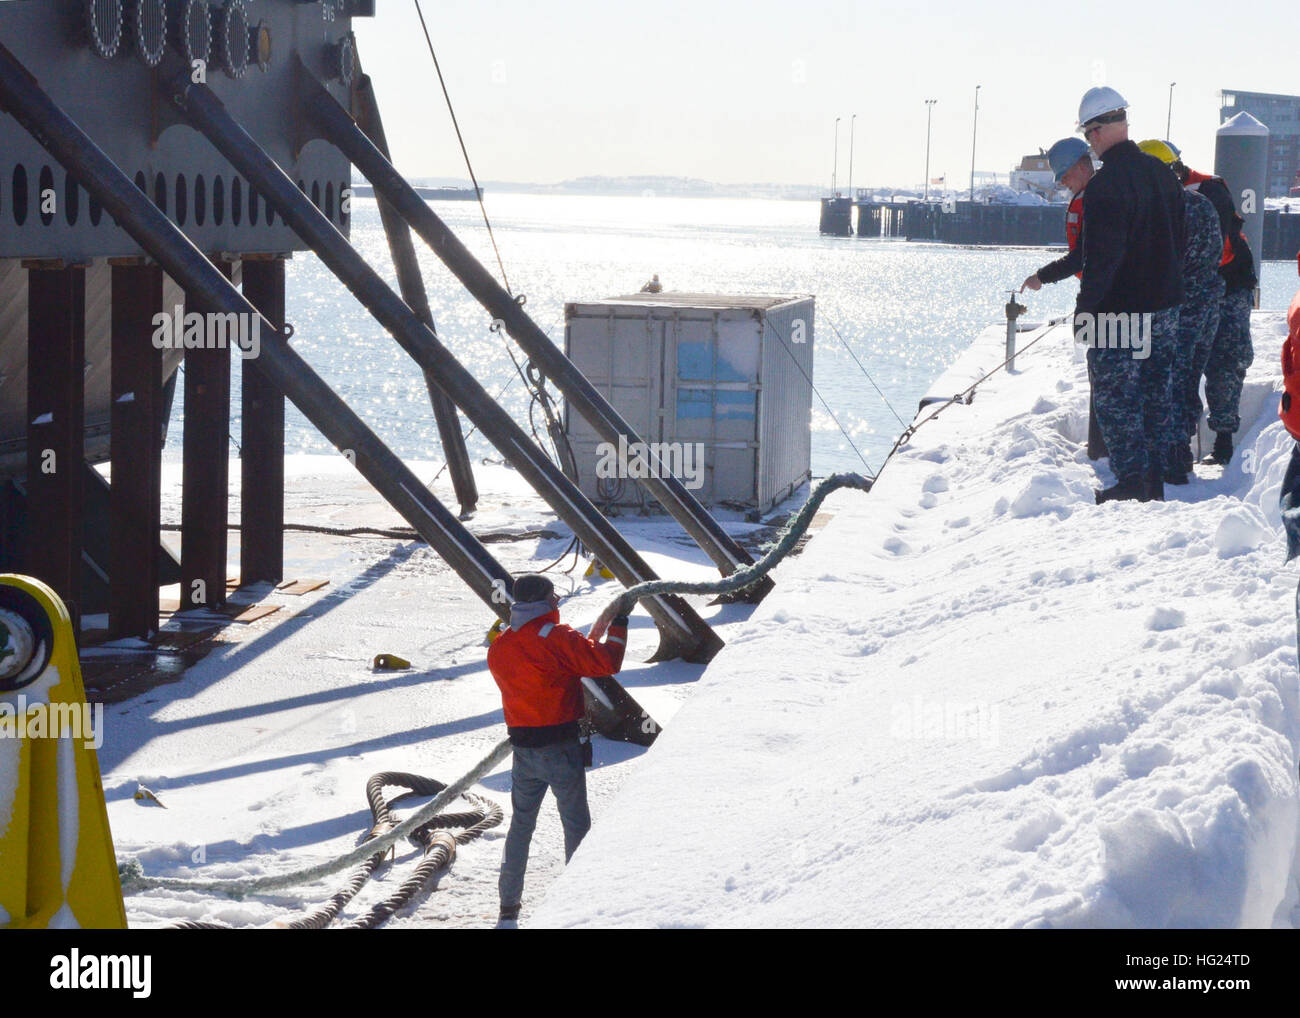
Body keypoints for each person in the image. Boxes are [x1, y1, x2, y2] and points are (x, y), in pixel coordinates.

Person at [486, 572, 629, 927]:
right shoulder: (557, 638)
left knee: (521, 826)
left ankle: (508, 906)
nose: (557, 603)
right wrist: (621, 621)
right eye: (554, 597)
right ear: (547, 600)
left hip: (524, 753)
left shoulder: (501, 645)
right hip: (561, 748)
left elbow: (541, 671)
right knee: (576, 825)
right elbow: (608, 662)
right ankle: (577, 906)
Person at [1072, 86, 1185, 504]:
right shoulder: (1161, 174)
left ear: (1098, 131)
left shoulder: (1104, 187)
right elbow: (1181, 239)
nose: (1090, 143)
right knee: (1157, 394)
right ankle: (1153, 480)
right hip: (1166, 306)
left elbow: (1102, 259)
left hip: (1121, 313)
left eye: (1089, 135)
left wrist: (1085, 311)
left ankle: (1132, 480)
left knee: (1115, 398)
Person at [1137, 140, 1224, 481]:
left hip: (1178, 309)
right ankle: (1183, 454)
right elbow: (1216, 254)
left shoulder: (1163, 209)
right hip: (1207, 306)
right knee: (1188, 382)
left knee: (1168, 381)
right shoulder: (1202, 204)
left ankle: (1172, 462)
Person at [1163, 152, 1258, 465]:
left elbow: (1221, 251)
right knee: (1184, 364)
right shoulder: (1166, 194)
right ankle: (1180, 446)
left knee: (1225, 360)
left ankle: (1224, 444)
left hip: (1229, 286)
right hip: (1194, 290)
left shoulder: (1209, 191)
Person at [1020, 137, 1106, 459]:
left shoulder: (1099, 199)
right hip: (1102, 297)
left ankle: (1102, 452)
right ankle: (1102, 448)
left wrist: (1041, 277)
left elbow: (1081, 256)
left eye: (1065, 177)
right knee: (1100, 371)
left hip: (1109, 301)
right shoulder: (1093, 197)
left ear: (1082, 167)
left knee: (1105, 374)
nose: (1064, 184)